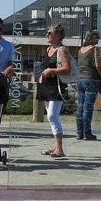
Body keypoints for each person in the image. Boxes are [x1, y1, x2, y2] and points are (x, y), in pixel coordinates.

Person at [36, 24, 70, 157]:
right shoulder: (49, 49)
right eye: (47, 33)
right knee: (51, 118)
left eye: (50, 33)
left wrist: (51, 71)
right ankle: (56, 146)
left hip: (56, 88)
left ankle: (60, 149)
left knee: (52, 116)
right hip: (45, 86)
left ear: (58, 35)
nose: (47, 35)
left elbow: (67, 69)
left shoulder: (61, 50)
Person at [74, 29, 101, 141]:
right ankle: (87, 133)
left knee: (80, 106)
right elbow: (98, 65)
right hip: (91, 79)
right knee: (88, 107)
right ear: (92, 38)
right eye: (97, 37)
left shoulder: (81, 50)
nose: (98, 39)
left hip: (80, 79)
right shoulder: (94, 50)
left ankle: (79, 132)